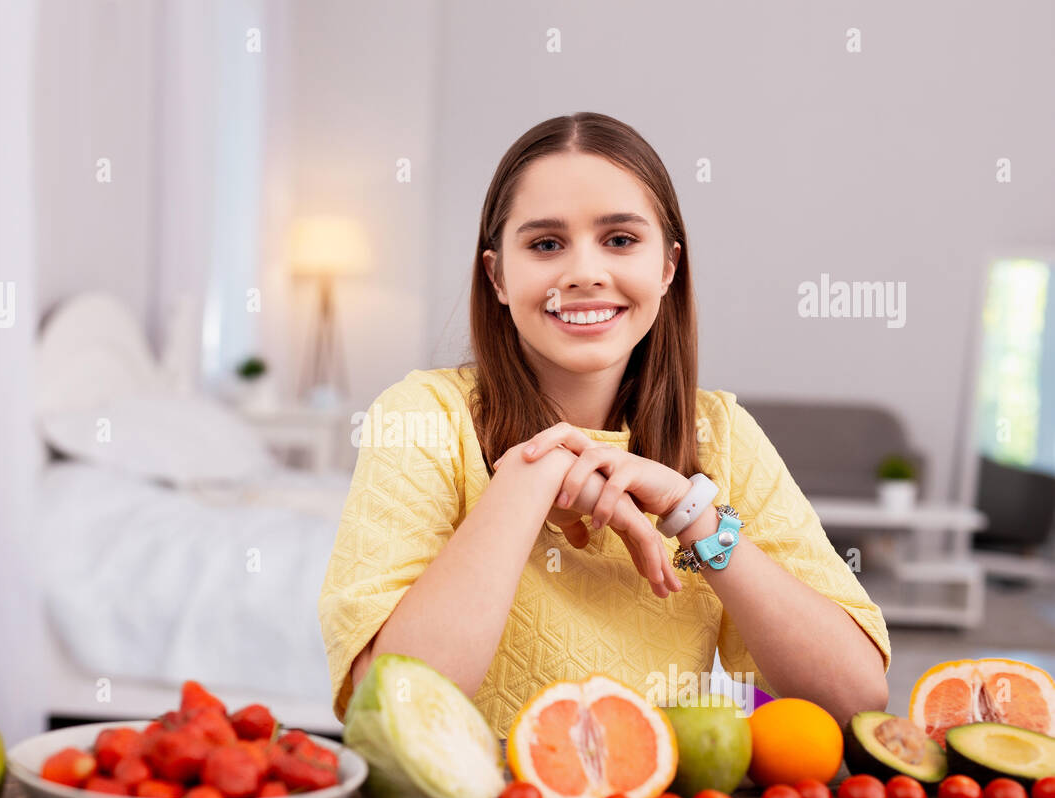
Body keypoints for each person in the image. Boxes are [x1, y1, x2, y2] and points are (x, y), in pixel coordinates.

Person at [319, 111, 889, 740]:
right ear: (497, 277)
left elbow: (855, 696)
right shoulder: (424, 417)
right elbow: (396, 701)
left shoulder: (721, 433)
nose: (585, 272)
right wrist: (537, 474)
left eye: (620, 240)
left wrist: (691, 512)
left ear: (668, 269)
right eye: (545, 244)